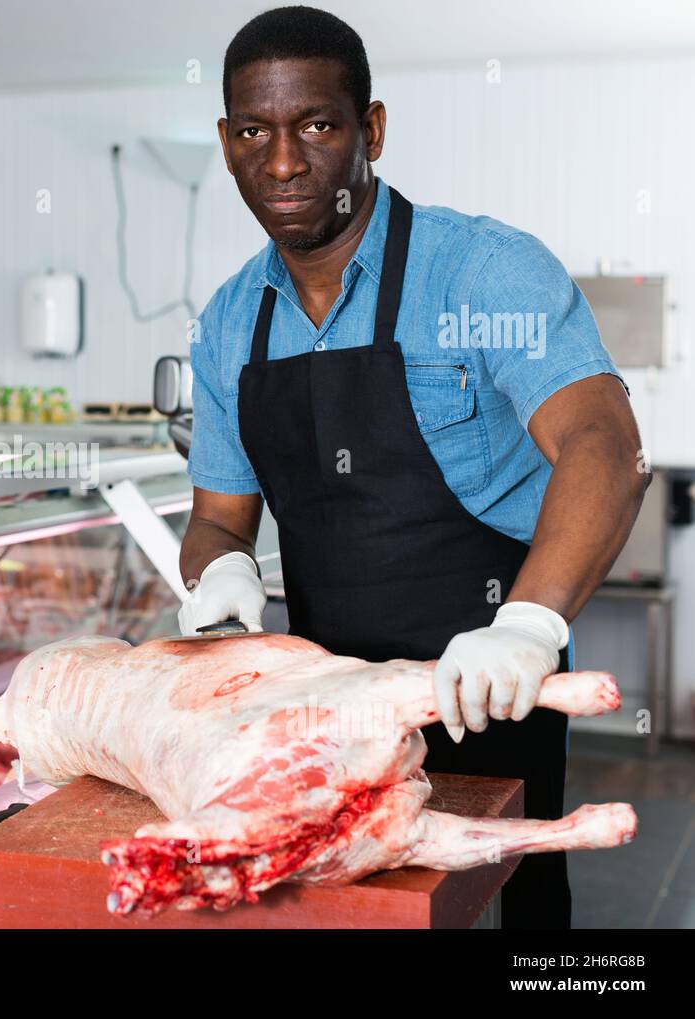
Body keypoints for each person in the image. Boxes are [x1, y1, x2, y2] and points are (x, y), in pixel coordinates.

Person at [179, 5, 648, 928]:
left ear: (372, 130)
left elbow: (607, 445)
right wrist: (219, 567)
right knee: (355, 902)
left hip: (492, 683)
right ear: (226, 142)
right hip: (333, 702)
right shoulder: (232, 321)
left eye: (316, 125)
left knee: (515, 895)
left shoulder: (482, 272)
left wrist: (527, 624)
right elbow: (219, 518)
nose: (282, 162)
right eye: (253, 132)